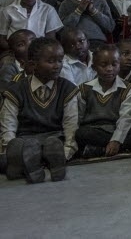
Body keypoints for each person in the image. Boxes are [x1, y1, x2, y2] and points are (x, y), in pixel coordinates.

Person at [1, 37, 79, 182]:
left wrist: (66, 153)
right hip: (25, 141)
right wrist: (9, 150)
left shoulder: (67, 89)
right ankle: (23, 163)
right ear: (33, 64)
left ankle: (31, 165)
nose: (57, 66)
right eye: (50, 61)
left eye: (60, 60)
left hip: (54, 140)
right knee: (8, 156)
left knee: (52, 148)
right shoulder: (16, 90)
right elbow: (8, 125)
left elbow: (71, 125)